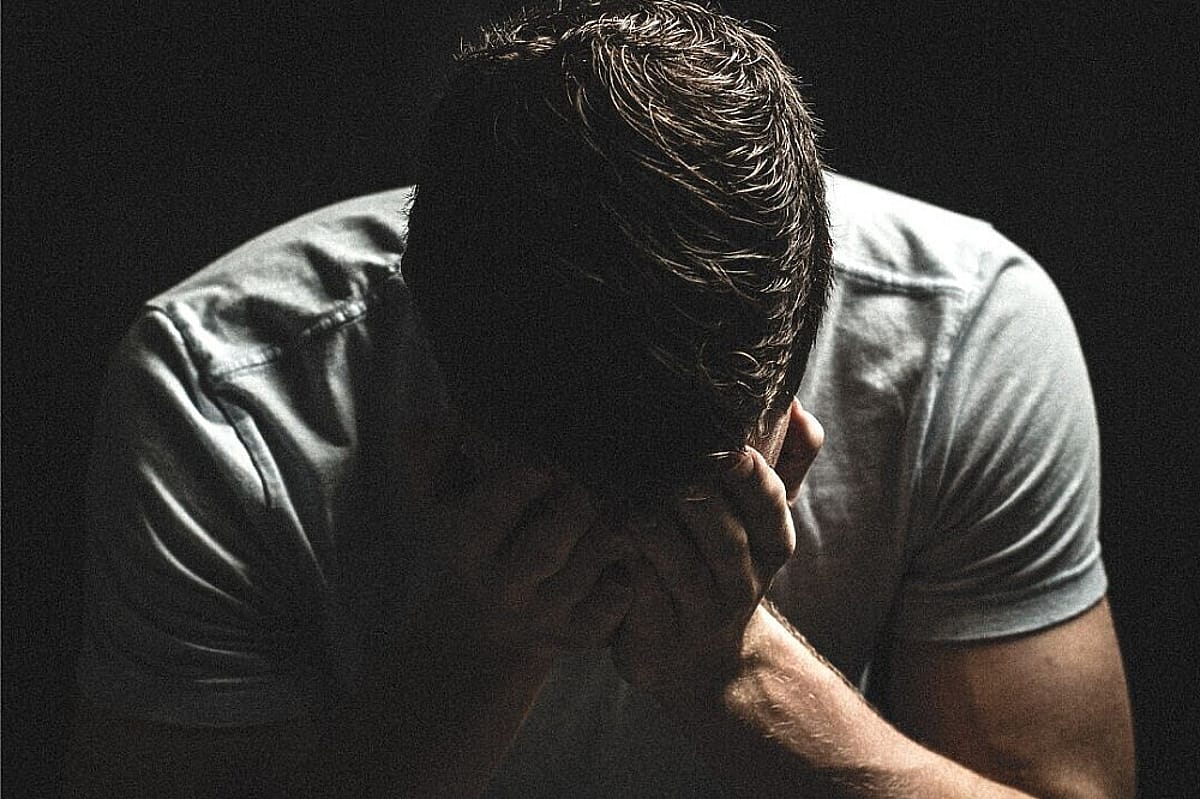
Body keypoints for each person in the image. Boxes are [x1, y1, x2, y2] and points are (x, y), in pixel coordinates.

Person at [66, 1, 1135, 796]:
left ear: (805, 348)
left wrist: (736, 669)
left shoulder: (963, 331)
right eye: (565, 492)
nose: (622, 553)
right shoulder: (219, 397)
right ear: (432, 357)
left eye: (694, 485)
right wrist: (482, 641)